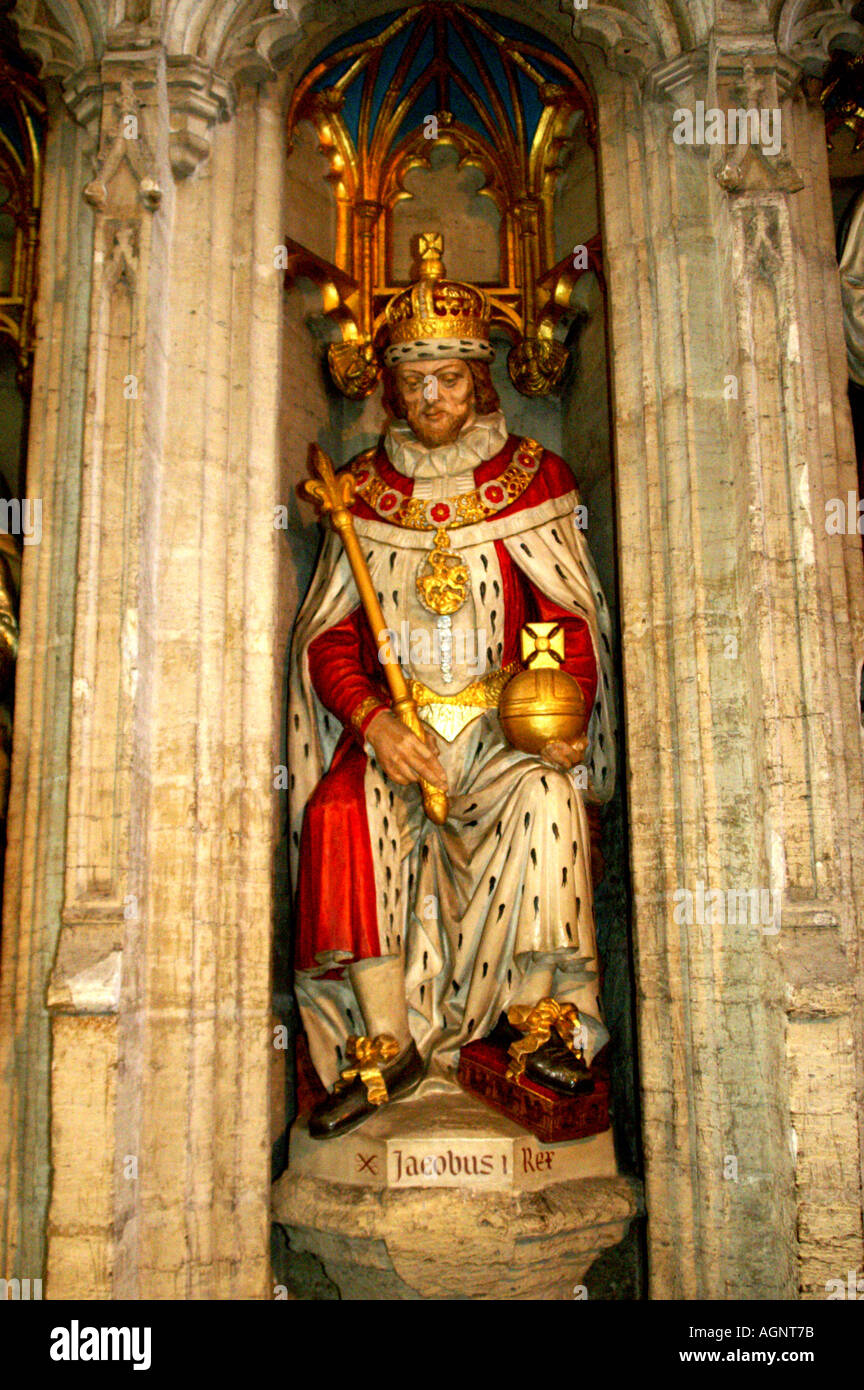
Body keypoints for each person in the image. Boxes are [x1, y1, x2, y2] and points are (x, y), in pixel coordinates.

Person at [288, 234, 615, 1139]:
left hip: (500, 734)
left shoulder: (535, 480)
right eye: (415, 379)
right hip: (398, 732)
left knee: (550, 801)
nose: (433, 397)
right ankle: (383, 1042)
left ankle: (538, 1025)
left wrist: (551, 715)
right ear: (391, 387)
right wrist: (374, 721)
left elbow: (565, 620)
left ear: (481, 382)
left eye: (451, 377)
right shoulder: (357, 493)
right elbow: (331, 641)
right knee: (336, 814)